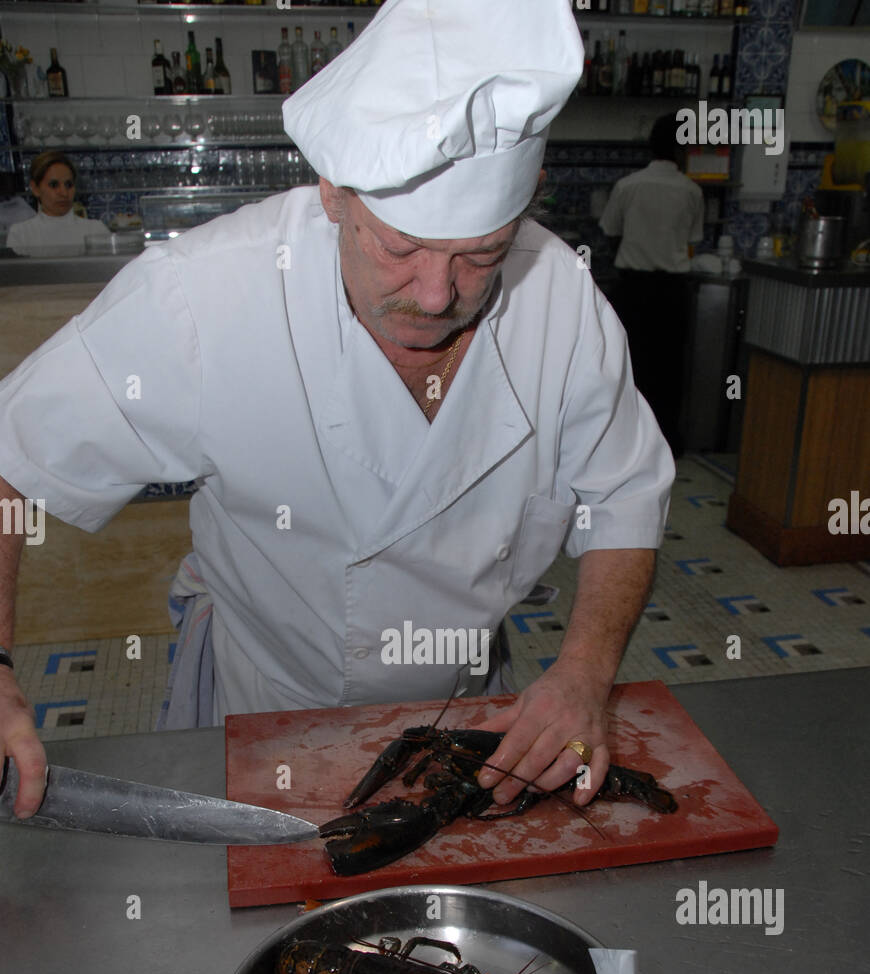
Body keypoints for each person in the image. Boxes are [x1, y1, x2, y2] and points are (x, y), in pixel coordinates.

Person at [0, 0, 673, 823]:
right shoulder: (206, 299)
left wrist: (583, 672)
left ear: (529, 197)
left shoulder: (562, 302)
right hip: (264, 699)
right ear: (332, 191)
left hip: (468, 707)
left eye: (481, 255)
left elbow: (625, 495)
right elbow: (10, 456)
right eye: (398, 248)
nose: (437, 296)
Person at [598, 112, 704, 457]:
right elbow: (693, 239)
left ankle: (627, 447)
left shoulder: (628, 186)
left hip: (633, 289)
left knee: (631, 367)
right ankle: (665, 446)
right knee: (669, 370)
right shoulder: (692, 191)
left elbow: (610, 232)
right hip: (673, 292)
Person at [6, 151, 110, 257]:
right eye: (54, 185)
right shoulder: (21, 234)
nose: (64, 193)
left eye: (68, 184)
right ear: (35, 188)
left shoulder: (96, 230)